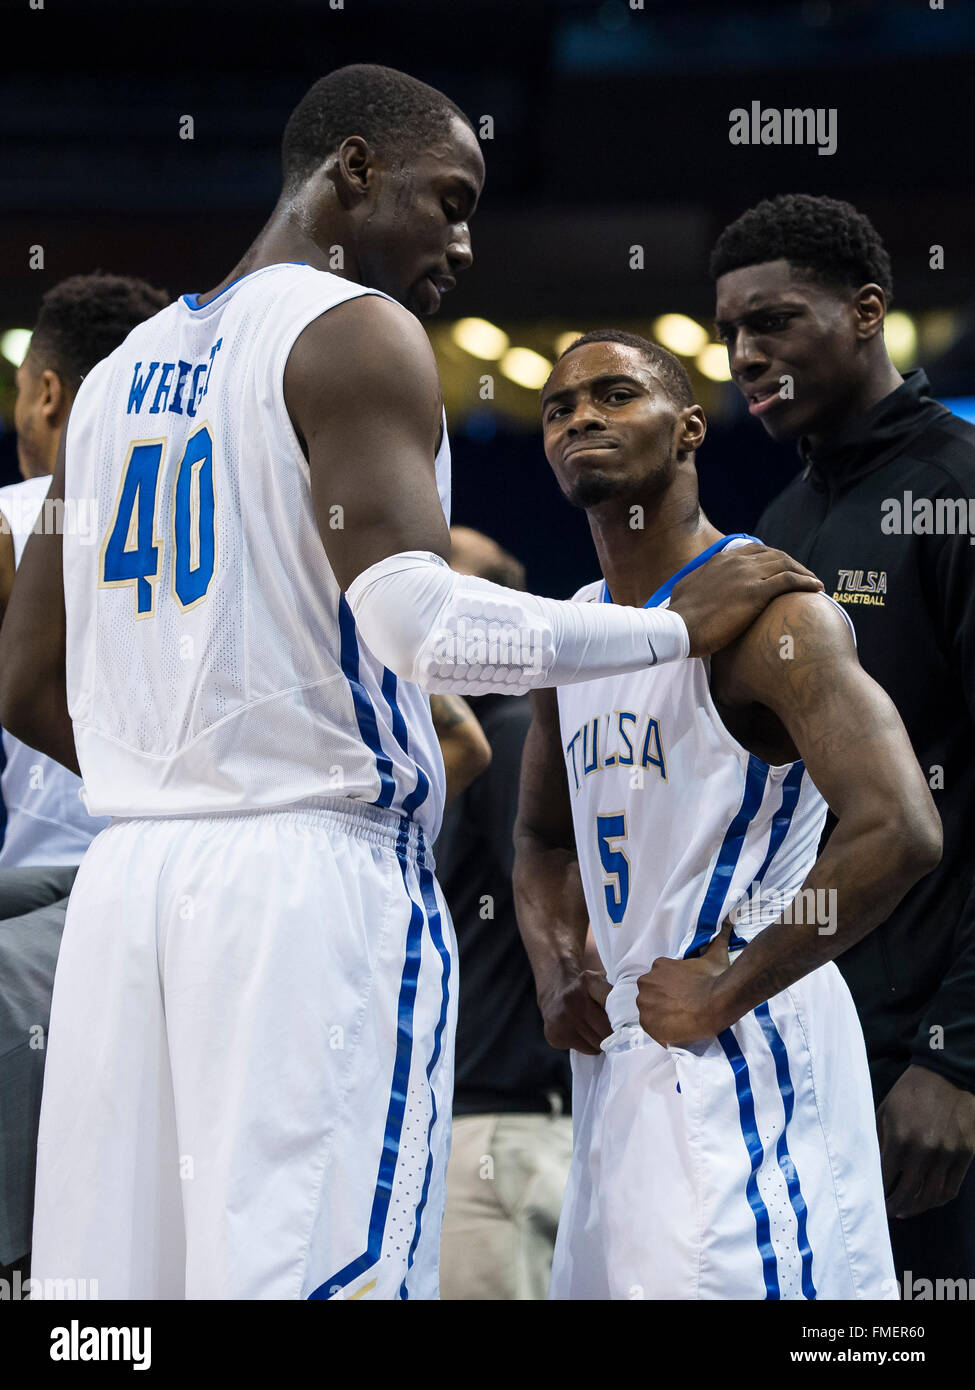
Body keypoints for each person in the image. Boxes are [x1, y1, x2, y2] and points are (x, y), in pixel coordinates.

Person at [0, 64, 823, 1301]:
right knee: (315, 1279)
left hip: (127, 889)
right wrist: (667, 627)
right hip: (301, 888)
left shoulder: (112, 381)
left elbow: (21, 684)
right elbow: (424, 624)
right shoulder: (352, 327)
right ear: (354, 169)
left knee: (115, 1305)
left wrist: (180, 778)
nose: (464, 241)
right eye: (449, 200)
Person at [513, 329, 942, 1299]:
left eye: (615, 395)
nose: (581, 415)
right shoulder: (577, 633)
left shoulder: (775, 614)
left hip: (744, 1038)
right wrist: (556, 962)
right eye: (560, 407)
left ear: (691, 429)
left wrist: (729, 979)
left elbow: (900, 826)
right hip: (623, 1057)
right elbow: (540, 839)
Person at [711, 193, 975, 1286]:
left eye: (772, 321)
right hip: (808, 1036)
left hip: (925, 1063)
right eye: (731, 332)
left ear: (866, 312)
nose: (745, 353)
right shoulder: (778, 526)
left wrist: (959, 1055)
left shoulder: (958, 492)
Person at [0, 272, 168, 1277]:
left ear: (48, 394)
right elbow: (458, 739)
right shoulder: (229, 515)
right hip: (214, 885)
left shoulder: (21, 520)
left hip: (70, 896)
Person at [436, 526, 572, 1301]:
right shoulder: (457, 746)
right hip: (486, 1127)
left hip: (506, 1135)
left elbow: (572, 919)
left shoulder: (512, 735)